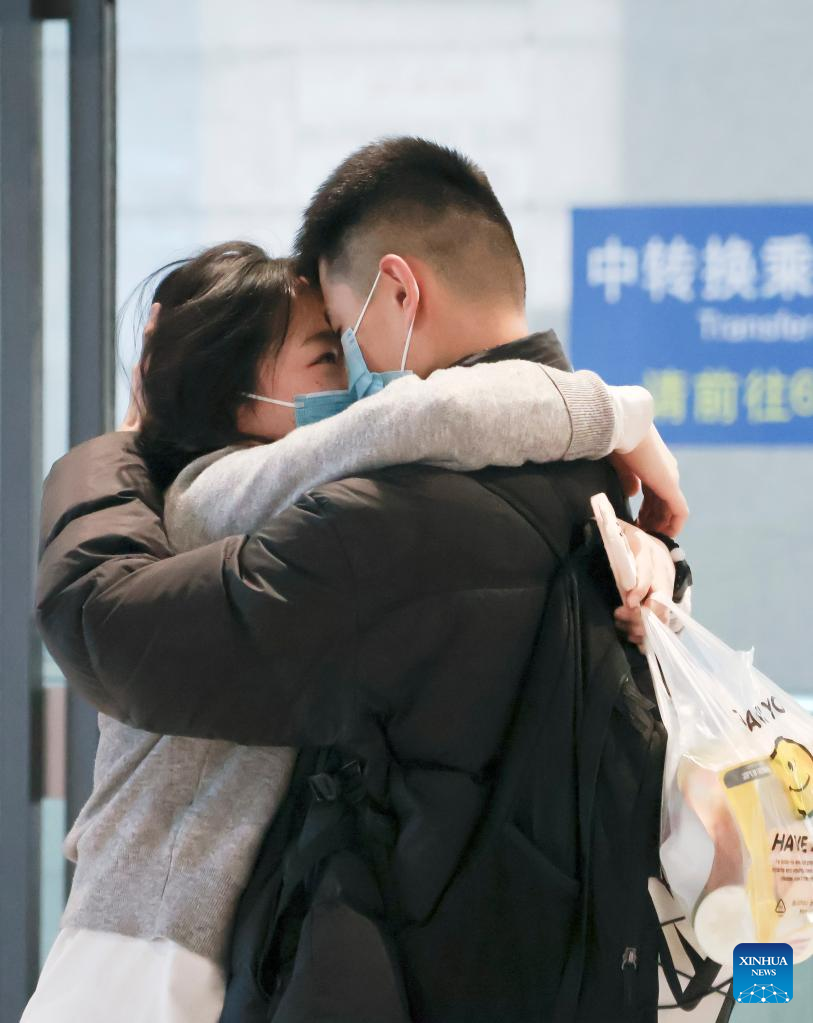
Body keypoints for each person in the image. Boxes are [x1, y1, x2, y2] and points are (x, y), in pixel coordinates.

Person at [35, 139, 685, 1021]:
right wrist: (610, 411)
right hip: (524, 967)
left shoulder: (383, 516)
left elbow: (110, 627)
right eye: (327, 356)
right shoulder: (602, 491)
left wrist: (114, 445)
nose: (351, 376)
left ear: (400, 291)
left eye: (342, 336)